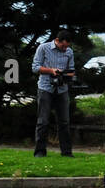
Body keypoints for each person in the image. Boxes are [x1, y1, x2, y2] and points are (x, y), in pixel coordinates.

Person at [32, 30, 77, 158]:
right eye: (63, 46)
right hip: (46, 88)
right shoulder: (43, 48)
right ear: (57, 40)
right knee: (43, 121)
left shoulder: (69, 52)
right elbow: (35, 67)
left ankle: (67, 152)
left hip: (62, 89)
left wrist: (65, 75)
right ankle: (40, 152)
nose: (65, 48)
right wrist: (51, 71)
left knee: (64, 122)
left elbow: (72, 71)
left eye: (67, 46)